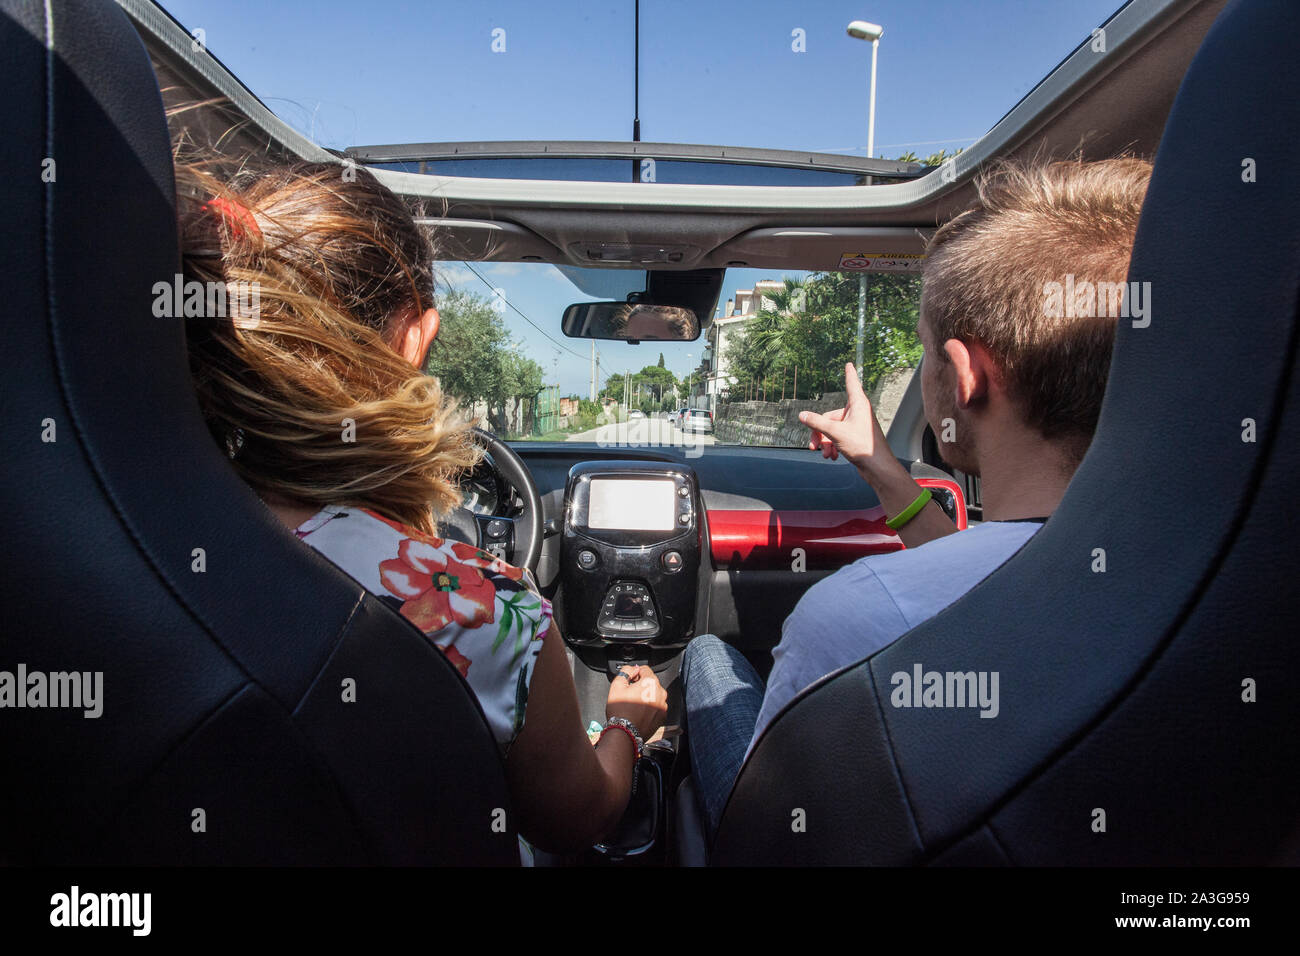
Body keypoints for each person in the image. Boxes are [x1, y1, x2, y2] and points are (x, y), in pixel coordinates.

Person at [176, 156, 667, 854]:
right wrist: (625, 726)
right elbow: (581, 819)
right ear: (414, 339)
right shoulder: (486, 613)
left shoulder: (115, 553)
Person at [681, 156, 1154, 840]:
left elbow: (772, 821)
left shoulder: (855, 615)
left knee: (705, 656)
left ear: (965, 375)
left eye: (928, 350)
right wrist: (878, 463)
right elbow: (988, 578)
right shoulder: (1212, 571)